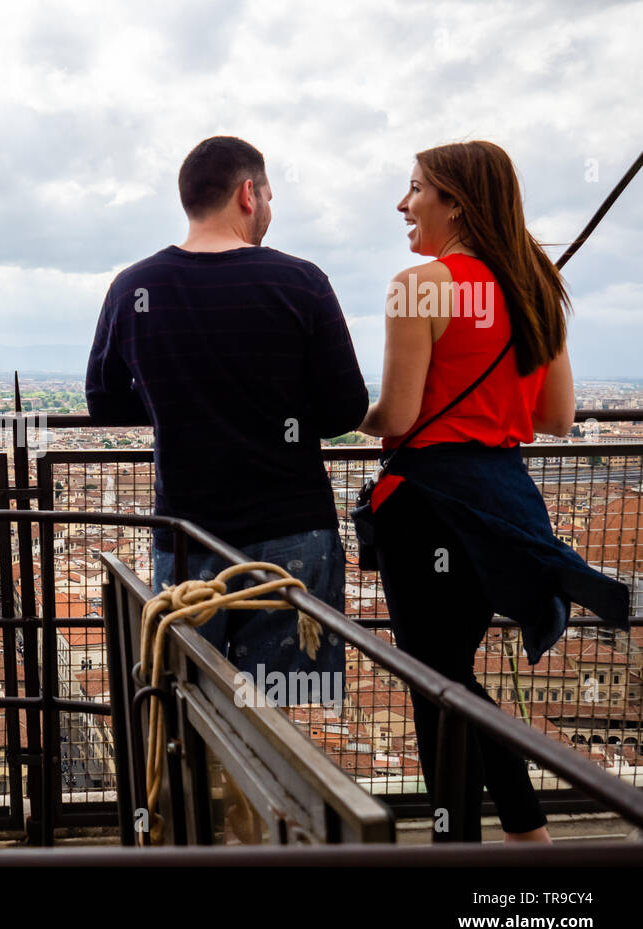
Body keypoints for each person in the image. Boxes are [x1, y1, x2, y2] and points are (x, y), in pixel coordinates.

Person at [359, 141, 629, 843]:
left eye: (414, 188)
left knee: (433, 679)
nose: (402, 203)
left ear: (454, 201)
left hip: (426, 505)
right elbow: (556, 419)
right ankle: (519, 833)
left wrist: (338, 413)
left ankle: (475, 844)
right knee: (448, 671)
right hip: (502, 501)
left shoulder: (419, 285)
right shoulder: (535, 286)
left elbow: (398, 416)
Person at [86, 135, 368, 707]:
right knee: (279, 714)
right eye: (269, 196)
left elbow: (105, 401)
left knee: (192, 707)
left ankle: (201, 799)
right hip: (292, 534)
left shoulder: (133, 286)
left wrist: (177, 401)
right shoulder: (301, 282)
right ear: (249, 194)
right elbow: (345, 409)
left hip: (188, 534)